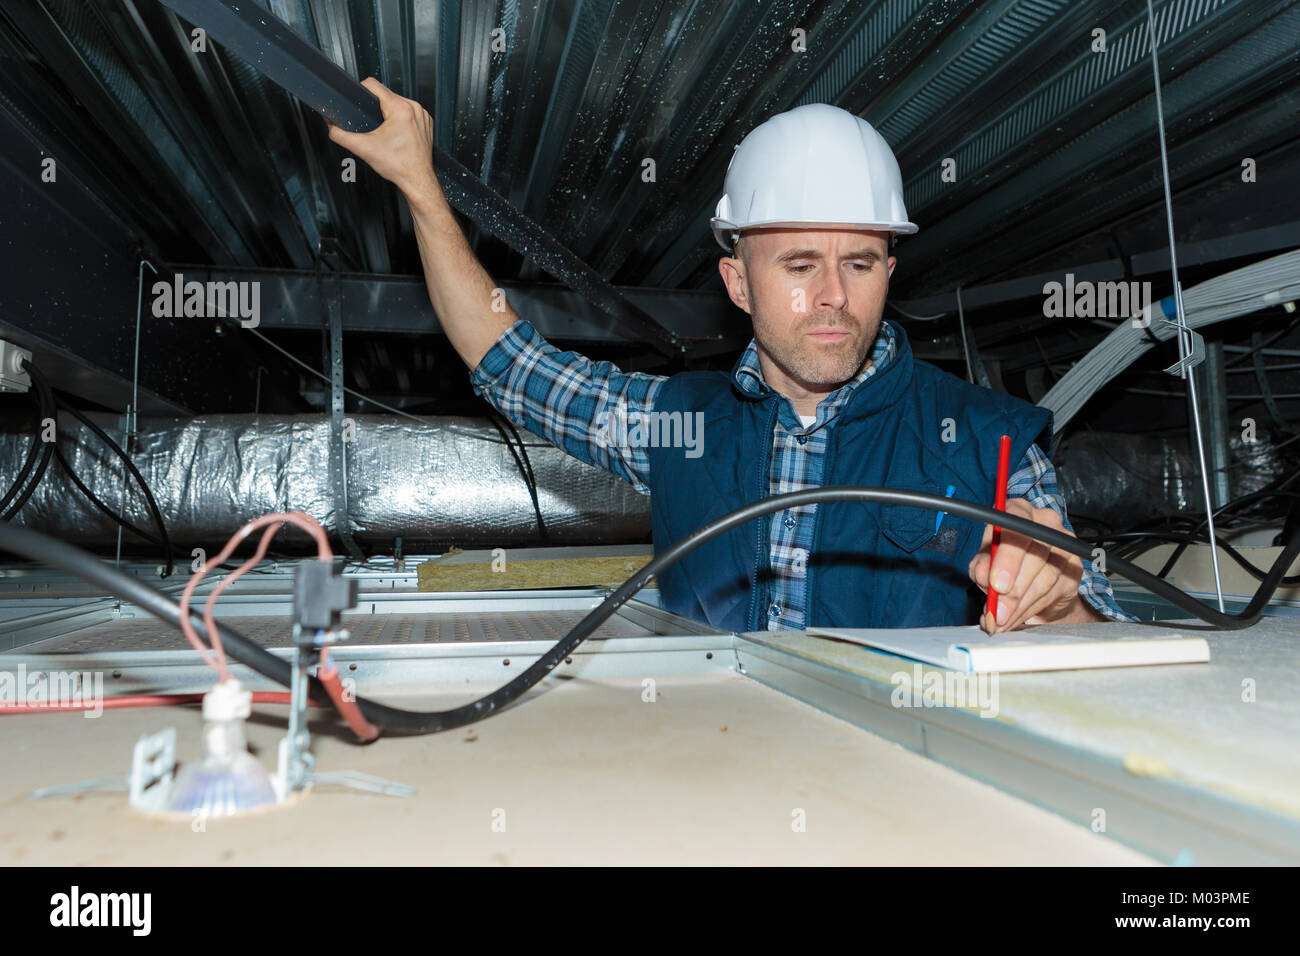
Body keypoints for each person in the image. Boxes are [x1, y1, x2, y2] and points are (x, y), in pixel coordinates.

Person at [328, 80, 1136, 634]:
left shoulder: (989, 439)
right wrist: (421, 189)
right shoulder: (677, 425)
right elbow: (506, 358)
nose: (832, 296)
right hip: (710, 773)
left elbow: (1112, 642)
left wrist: (1058, 599)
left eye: (858, 264)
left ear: (889, 273)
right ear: (737, 283)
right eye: (797, 265)